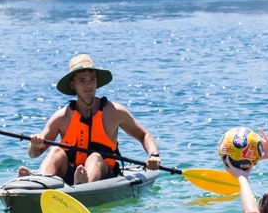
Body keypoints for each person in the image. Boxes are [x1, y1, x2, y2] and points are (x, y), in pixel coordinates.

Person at [17, 54, 161, 186]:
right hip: (72, 173)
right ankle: (41, 180)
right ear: (73, 85)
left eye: (92, 80)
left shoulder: (114, 112)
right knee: (56, 151)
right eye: (82, 81)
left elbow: (144, 135)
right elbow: (33, 154)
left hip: (104, 175)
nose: (89, 85)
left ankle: (82, 186)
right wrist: (35, 145)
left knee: (95, 157)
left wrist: (153, 155)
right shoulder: (62, 116)